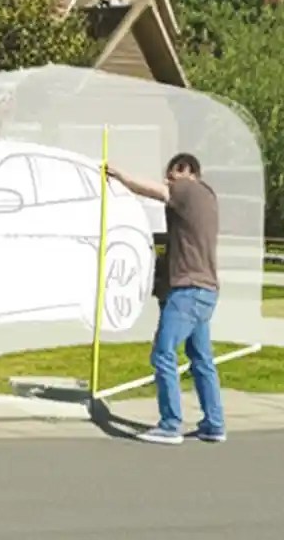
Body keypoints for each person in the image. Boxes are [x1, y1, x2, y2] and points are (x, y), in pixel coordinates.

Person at [106, 153, 224, 445]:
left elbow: (151, 190)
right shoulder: (208, 199)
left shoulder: (186, 189)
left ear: (186, 171)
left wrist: (120, 175)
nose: (168, 179)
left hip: (187, 291)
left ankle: (170, 425)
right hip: (206, 290)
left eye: (171, 173)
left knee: (163, 353)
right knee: (201, 359)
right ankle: (214, 424)